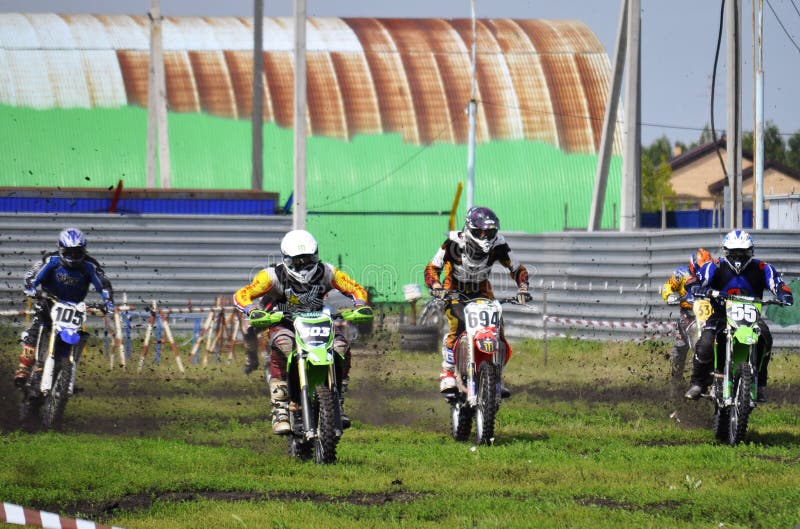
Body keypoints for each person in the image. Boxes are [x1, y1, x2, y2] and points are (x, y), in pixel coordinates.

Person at [233, 229, 369, 434]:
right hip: (284, 322)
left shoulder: (328, 271)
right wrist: (252, 310)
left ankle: (337, 400)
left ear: (316, 255)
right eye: (298, 261)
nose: (303, 265)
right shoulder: (271, 276)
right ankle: (279, 407)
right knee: (283, 344)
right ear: (286, 259)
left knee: (341, 346)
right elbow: (243, 294)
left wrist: (359, 305)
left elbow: (355, 288)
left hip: (319, 322)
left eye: (308, 259)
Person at [424, 206, 531, 394]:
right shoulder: (453, 243)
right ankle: (447, 373)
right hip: (454, 288)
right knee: (458, 324)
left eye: (489, 232)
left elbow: (517, 268)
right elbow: (432, 268)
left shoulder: (499, 244)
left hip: (481, 289)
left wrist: (523, 288)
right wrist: (437, 287)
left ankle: (495, 378)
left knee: (497, 329)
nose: (485, 237)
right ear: (469, 229)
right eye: (480, 232)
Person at [685, 230, 794, 402]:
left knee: (765, 338)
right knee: (705, 343)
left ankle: (759, 384)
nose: (738, 257)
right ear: (726, 252)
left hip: (750, 316)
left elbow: (778, 284)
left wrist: (784, 294)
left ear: (751, 252)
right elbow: (693, 280)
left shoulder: (763, 268)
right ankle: (698, 382)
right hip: (720, 315)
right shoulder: (714, 266)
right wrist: (697, 288)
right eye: (734, 253)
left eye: (743, 253)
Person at [15, 227, 115, 387]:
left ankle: (67, 373)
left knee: (80, 335)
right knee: (35, 330)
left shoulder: (90, 266)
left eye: (77, 252)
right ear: (61, 249)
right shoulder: (51, 260)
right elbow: (32, 275)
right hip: (50, 301)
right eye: (69, 252)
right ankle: (24, 368)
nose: (73, 256)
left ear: (84, 250)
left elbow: (104, 285)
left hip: (74, 307)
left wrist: (108, 302)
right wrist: (31, 288)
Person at [661, 248, 712, 380]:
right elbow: (667, 286)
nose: (702, 271)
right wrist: (669, 296)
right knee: (680, 347)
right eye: (700, 268)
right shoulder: (681, 274)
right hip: (688, 314)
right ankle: (675, 380)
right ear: (693, 265)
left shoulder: (713, 274)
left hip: (709, 313)